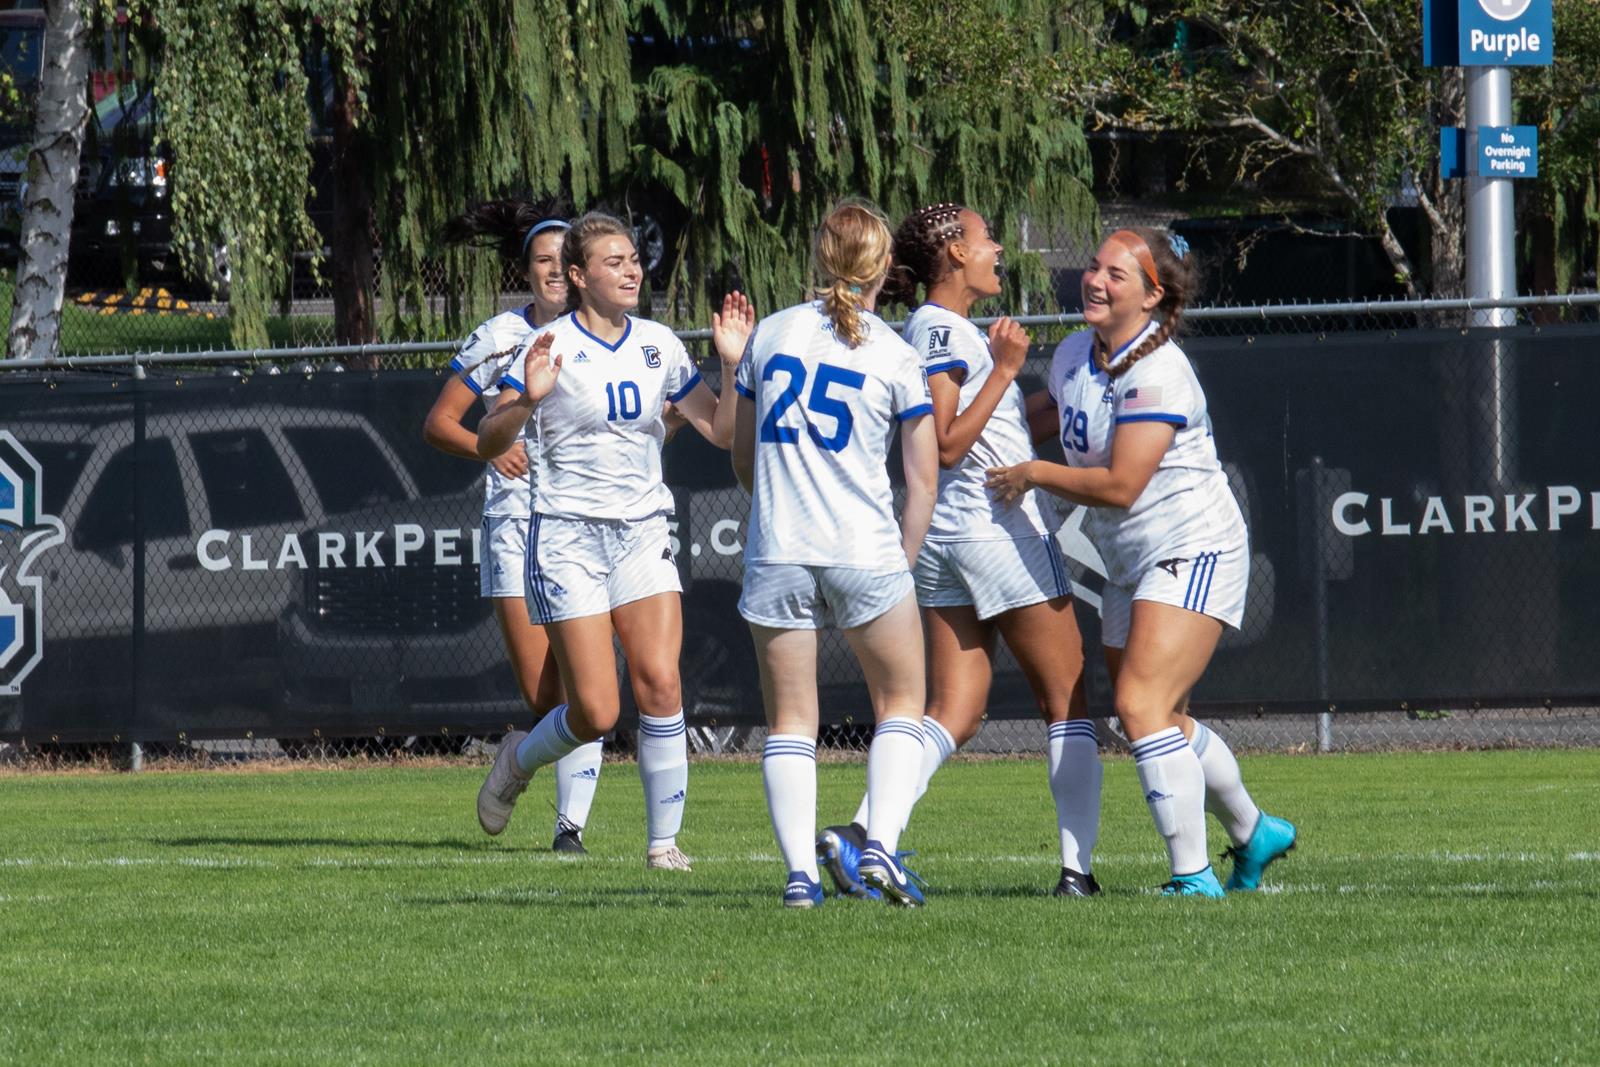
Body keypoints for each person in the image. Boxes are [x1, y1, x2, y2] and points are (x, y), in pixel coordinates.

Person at [986, 227, 1295, 896]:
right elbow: (1041, 417)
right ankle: (1254, 830)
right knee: (1154, 718)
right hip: (1129, 556)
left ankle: (1192, 877)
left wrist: (1033, 473)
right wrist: (962, 416)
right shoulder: (1075, 352)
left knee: (1140, 702)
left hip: (1194, 545)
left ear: (1153, 295)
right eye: (1093, 265)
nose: (1094, 279)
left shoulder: (1159, 370)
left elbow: (1122, 484)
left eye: (1115, 275)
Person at [817, 203, 1102, 900]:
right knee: (1068, 698)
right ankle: (1076, 871)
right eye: (982, 237)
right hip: (993, 532)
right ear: (951, 253)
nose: (997, 247)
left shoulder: (942, 329)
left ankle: (861, 836)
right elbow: (944, 441)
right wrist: (1007, 370)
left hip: (948, 538)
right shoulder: (942, 327)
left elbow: (994, 430)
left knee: (958, 707)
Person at [473, 211, 754, 871]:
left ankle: (664, 844)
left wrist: (732, 367)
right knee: (595, 709)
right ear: (578, 276)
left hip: (642, 531)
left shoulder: (659, 343)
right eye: (614, 261)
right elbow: (489, 439)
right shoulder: (548, 347)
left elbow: (718, 430)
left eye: (633, 258)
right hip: (568, 536)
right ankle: (515, 760)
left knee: (660, 680)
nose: (631, 270)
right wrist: (525, 402)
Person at [731, 200, 940, 907]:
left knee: (792, 721)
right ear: (886, 267)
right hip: (865, 551)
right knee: (903, 702)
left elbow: (743, 461)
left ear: (821, 256)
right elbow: (922, 480)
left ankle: (798, 877)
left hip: (779, 548)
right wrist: (901, 563)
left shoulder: (770, 334)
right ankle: (877, 845)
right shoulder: (895, 352)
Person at [421, 201, 600, 854]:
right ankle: (517, 756)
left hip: (586, 525)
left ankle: (569, 828)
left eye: (564, 259)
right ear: (526, 271)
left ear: (583, 269)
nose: (555, 271)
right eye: (542, 261)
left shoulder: (611, 335)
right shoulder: (500, 334)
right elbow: (439, 422)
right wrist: (488, 446)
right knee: (544, 690)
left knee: (590, 683)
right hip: (515, 525)